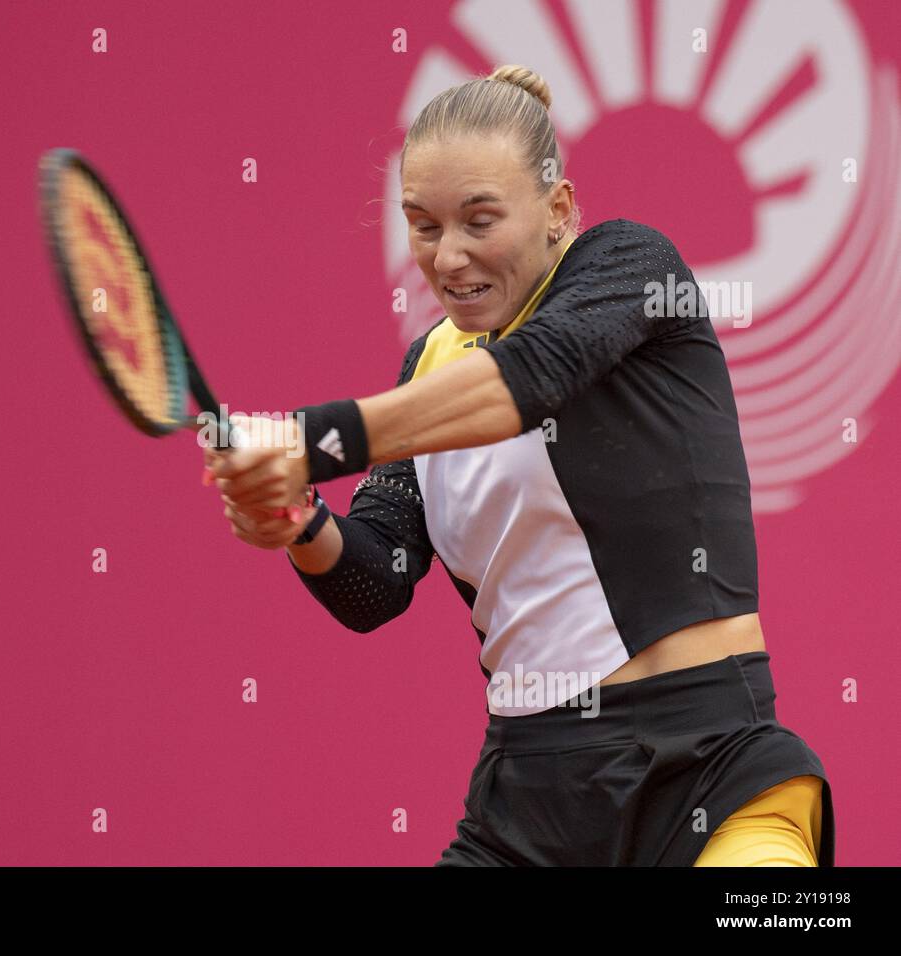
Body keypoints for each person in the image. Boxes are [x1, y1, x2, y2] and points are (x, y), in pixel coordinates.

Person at [200, 65, 834, 866]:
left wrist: (305, 441)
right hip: (527, 806)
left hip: (711, 770)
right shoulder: (428, 366)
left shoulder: (633, 266)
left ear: (559, 209)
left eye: (480, 219)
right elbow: (374, 582)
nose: (450, 255)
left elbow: (530, 377)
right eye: (423, 225)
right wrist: (297, 519)